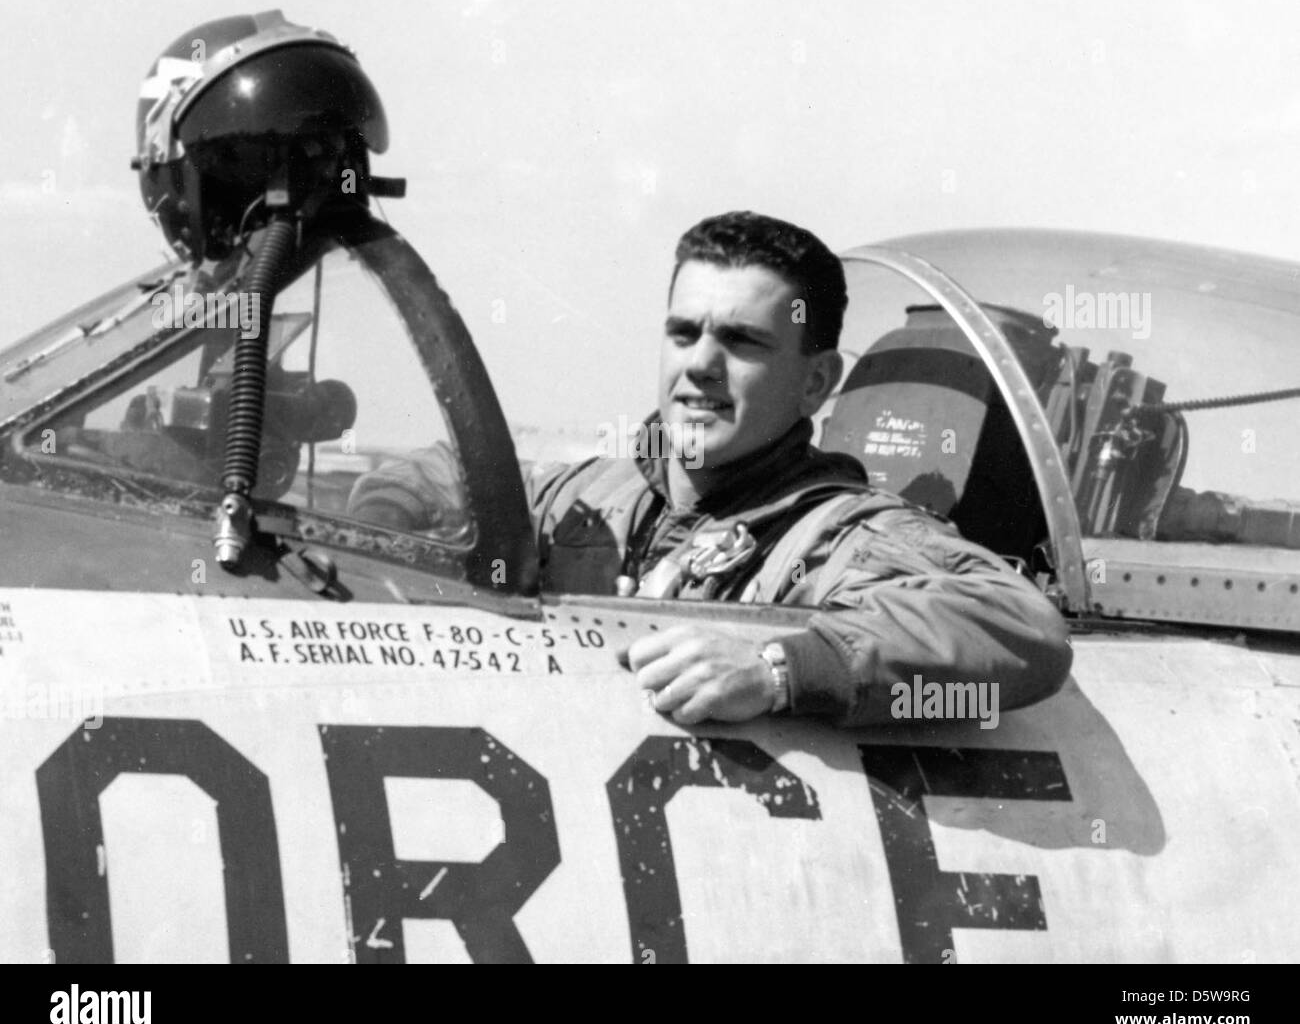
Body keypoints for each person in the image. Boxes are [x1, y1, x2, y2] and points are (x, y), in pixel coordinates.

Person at [351, 211, 1072, 727]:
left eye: (742, 341)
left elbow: (1023, 628)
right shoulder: (600, 492)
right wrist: (383, 523)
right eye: (683, 332)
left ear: (817, 384)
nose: (700, 364)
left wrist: (779, 670)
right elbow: (445, 471)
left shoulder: (840, 535)